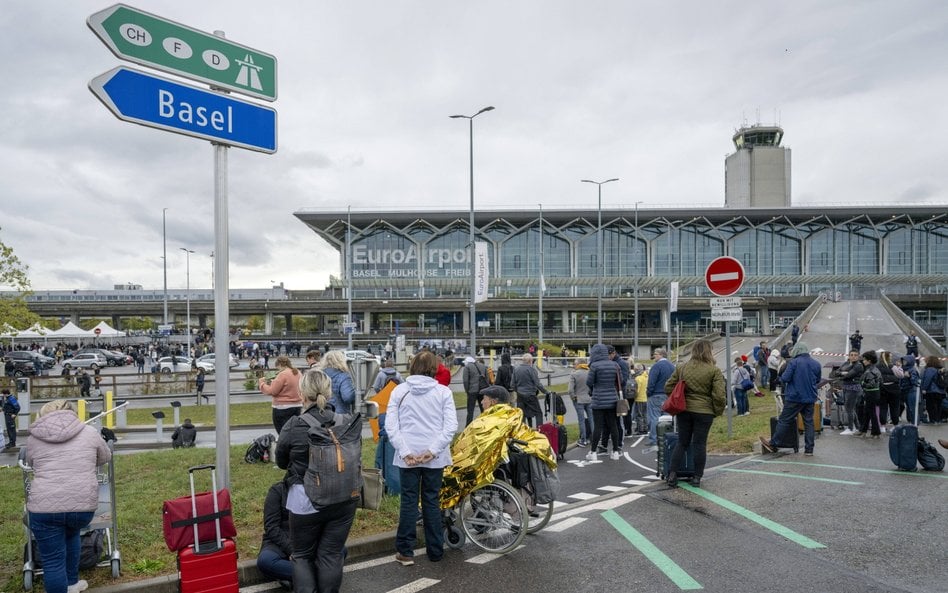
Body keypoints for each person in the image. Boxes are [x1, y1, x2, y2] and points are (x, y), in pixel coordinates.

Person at [275, 369, 357, 593]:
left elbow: (281, 461)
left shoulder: (294, 425)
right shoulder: (346, 421)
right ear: (329, 393)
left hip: (306, 500)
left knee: (302, 556)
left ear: (302, 394)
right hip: (344, 498)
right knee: (331, 554)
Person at [26, 399, 111, 593]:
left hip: (45, 507)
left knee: (52, 560)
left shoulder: (34, 437)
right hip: (81, 506)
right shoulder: (89, 432)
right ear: (73, 412)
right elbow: (105, 457)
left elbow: (31, 462)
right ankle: (72, 583)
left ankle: (64, 586)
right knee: (72, 533)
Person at [386, 350, 458, 566]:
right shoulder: (443, 392)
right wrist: (433, 450)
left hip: (407, 455)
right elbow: (450, 426)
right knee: (431, 501)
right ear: (434, 369)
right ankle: (435, 550)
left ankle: (406, 551)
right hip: (433, 457)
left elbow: (391, 425)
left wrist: (406, 451)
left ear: (412, 366)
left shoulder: (399, 391)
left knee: (408, 501)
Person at [664, 339, 726, 487]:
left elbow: (668, 387)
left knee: (682, 442)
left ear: (693, 350)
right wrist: (716, 411)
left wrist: (682, 397)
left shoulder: (682, 368)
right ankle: (697, 477)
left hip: (684, 410)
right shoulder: (714, 370)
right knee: (699, 444)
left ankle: (672, 474)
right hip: (704, 412)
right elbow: (719, 395)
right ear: (709, 351)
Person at [759, 341, 822, 457]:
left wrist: (780, 379)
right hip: (810, 398)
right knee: (809, 423)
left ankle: (774, 443)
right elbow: (818, 380)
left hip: (795, 397)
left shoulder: (794, 363)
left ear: (797, 350)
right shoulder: (816, 364)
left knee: (784, 420)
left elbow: (786, 378)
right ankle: (809, 449)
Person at [585, 344, 622, 461]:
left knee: (598, 427)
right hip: (612, 399)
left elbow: (589, 382)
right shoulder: (615, 365)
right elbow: (621, 381)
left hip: (598, 400)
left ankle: (593, 452)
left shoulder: (594, 366)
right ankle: (616, 451)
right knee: (613, 426)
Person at [256, 480, 293, 588]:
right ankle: (315, 574)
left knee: (338, 550)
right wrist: (292, 549)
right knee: (265, 561)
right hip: (278, 542)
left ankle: (293, 577)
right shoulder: (277, 490)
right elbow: (271, 527)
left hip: (306, 541)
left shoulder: (315, 489)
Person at [258, 355, 303, 434]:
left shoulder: (282, 374)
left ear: (279, 364)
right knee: (294, 433)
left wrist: (262, 384)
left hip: (282, 408)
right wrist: (273, 382)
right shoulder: (298, 373)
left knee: (283, 433)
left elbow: (272, 391)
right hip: (298, 406)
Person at [645, 348, 675, 447]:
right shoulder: (672, 366)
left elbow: (651, 381)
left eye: (656, 354)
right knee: (666, 418)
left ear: (661, 355)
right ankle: (666, 438)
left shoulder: (656, 366)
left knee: (654, 417)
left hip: (656, 394)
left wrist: (649, 393)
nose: (654, 356)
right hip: (668, 395)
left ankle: (654, 439)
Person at [511, 353, 550, 428]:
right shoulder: (531, 370)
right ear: (530, 361)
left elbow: (512, 385)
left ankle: (522, 432)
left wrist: (518, 390)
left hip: (520, 396)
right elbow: (537, 384)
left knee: (522, 415)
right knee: (538, 413)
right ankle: (539, 431)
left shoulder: (516, 369)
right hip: (530, 395)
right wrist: (546, 392)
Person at [833, 350, 864, 435]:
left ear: (858, 356)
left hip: (854, 389)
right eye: (851, 355)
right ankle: (857, 427)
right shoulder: (846, 363)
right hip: (846, 388)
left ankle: (850, 428)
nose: (853, 356)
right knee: (850, 409)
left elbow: (849, 375)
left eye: (855, 355)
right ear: (849, 356)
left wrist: (843, 374)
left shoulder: (859, 366)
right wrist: (843, 373)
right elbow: (836, 372)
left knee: (849, 409)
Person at [856, 351, 883, 437]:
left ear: (869, 361)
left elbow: (871, 384)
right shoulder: (875, 369)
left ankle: (876, 432)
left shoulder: (870, 371)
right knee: (867, 412)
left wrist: (863, 384)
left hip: (871, 393)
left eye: (864, 360)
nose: (863, 361)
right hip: (875, 392)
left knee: (871, 413)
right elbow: (881, 382)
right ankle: (863, 430)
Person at [568, 358, 592, 447]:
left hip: (579, 399)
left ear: (579, 364)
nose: (574, 365)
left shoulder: (574, 374)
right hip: (589, 398)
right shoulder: (590, 372)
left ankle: (583, 439)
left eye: (575, 364)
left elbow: (570, 390)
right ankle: (594, 438)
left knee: (581, 420)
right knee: (591, 419)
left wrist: (573, 397)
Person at [461, 355, 490, 425]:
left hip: (472, 391)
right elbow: (487, 379)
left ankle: (468, 426)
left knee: (470, 410)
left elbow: (465, 381)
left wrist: (467, 390)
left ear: (467, 362)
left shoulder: (467, 367)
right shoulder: (483, 366)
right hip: (482, 390)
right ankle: (485, 424)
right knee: (483, 409)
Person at [920, 355, 946, 424]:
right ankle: (938, 420)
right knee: (938, 406)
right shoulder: (940, 369)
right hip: (940, 391)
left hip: (932, 390)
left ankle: (933, 420)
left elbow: (927, 379)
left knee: (931, 406)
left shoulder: (930, 369)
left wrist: (924, 388)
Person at [899, 354, 921, 425]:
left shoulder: (913, 370)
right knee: (908, 408)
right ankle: (911, 422)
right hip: (904, 391)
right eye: (903, 361)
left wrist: (909, 376)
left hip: (911, 391)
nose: (903, 362)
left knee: (912, 409)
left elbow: (915, 382)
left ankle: (915, 424)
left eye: (905, 361)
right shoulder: (903, 369)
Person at [632, 363, 649, 435]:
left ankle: (640, 429)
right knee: (645, 414)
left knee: (639, 415)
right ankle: (645, 428)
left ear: (637, 370)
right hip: (646, 398)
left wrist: (633, 396)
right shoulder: (646, 376)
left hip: (639, 398)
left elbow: (637, 390)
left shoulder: (638, 378)